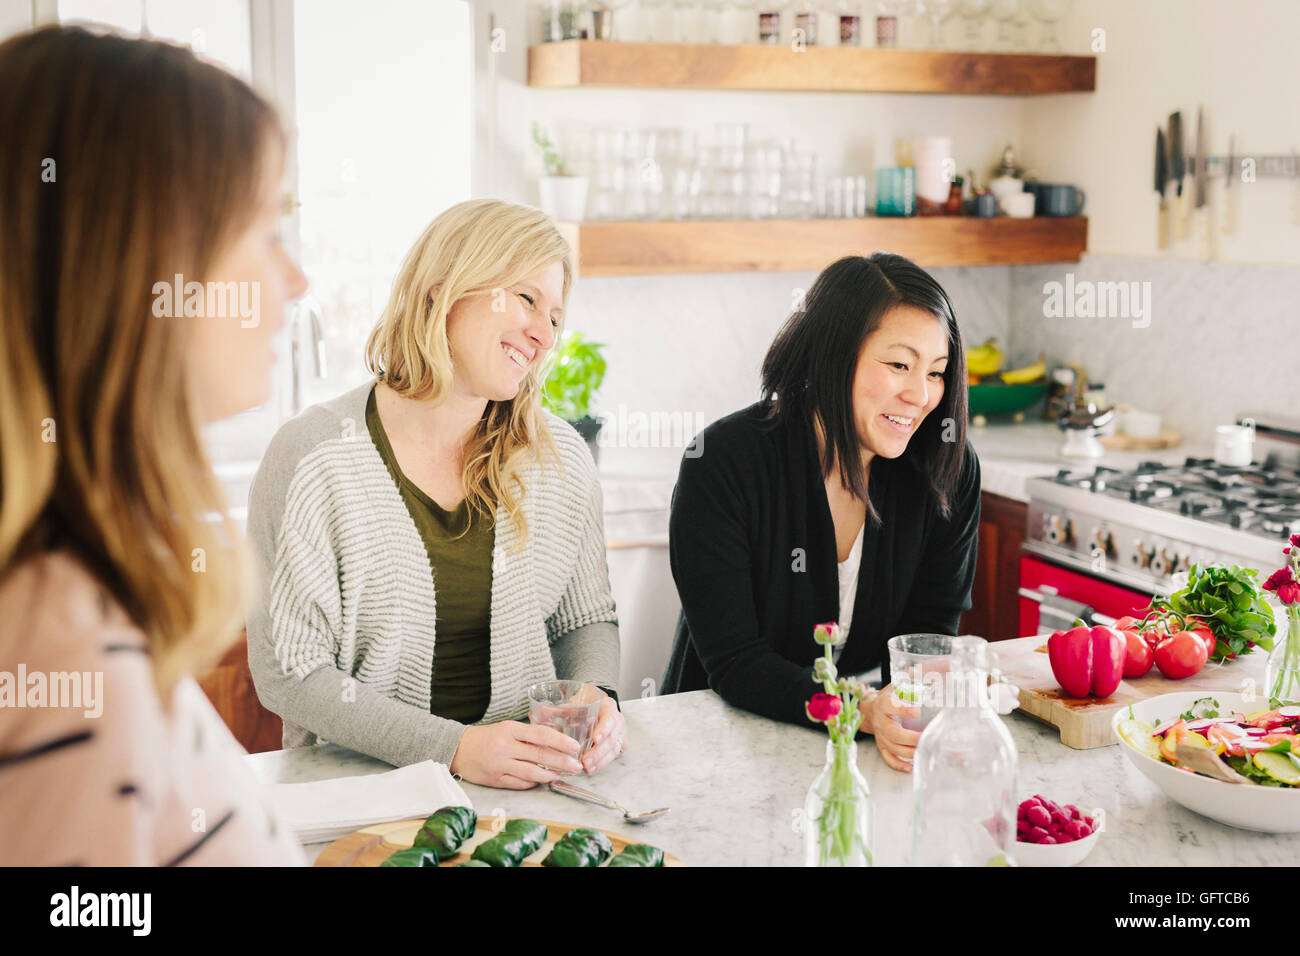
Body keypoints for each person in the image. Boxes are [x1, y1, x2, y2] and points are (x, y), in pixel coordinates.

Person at [0, 26, 309, 863]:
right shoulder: (58, 645)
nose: (295, 280)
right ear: (141, 268)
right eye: (263, 232)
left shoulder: (73, 595)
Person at [246, 199, 626, 790]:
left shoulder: (561, 458)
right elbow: (290, 672)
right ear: (443, 288)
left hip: (530, 792)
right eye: (526, 299)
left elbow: (585, 619)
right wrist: (453, 749)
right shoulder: (312, 459)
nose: (544, 333)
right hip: (361, 795)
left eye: (554, 315)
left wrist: (594, 694)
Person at [663, 253, 981, 773]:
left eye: (937, 373)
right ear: (833, 354)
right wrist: (860, 711)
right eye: (899, 364)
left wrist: (900, 715)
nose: (920, 395)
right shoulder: (723, 461)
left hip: (871, 745)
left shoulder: (945, 466)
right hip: (725, 744)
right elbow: (736, 663)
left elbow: (928, 637)